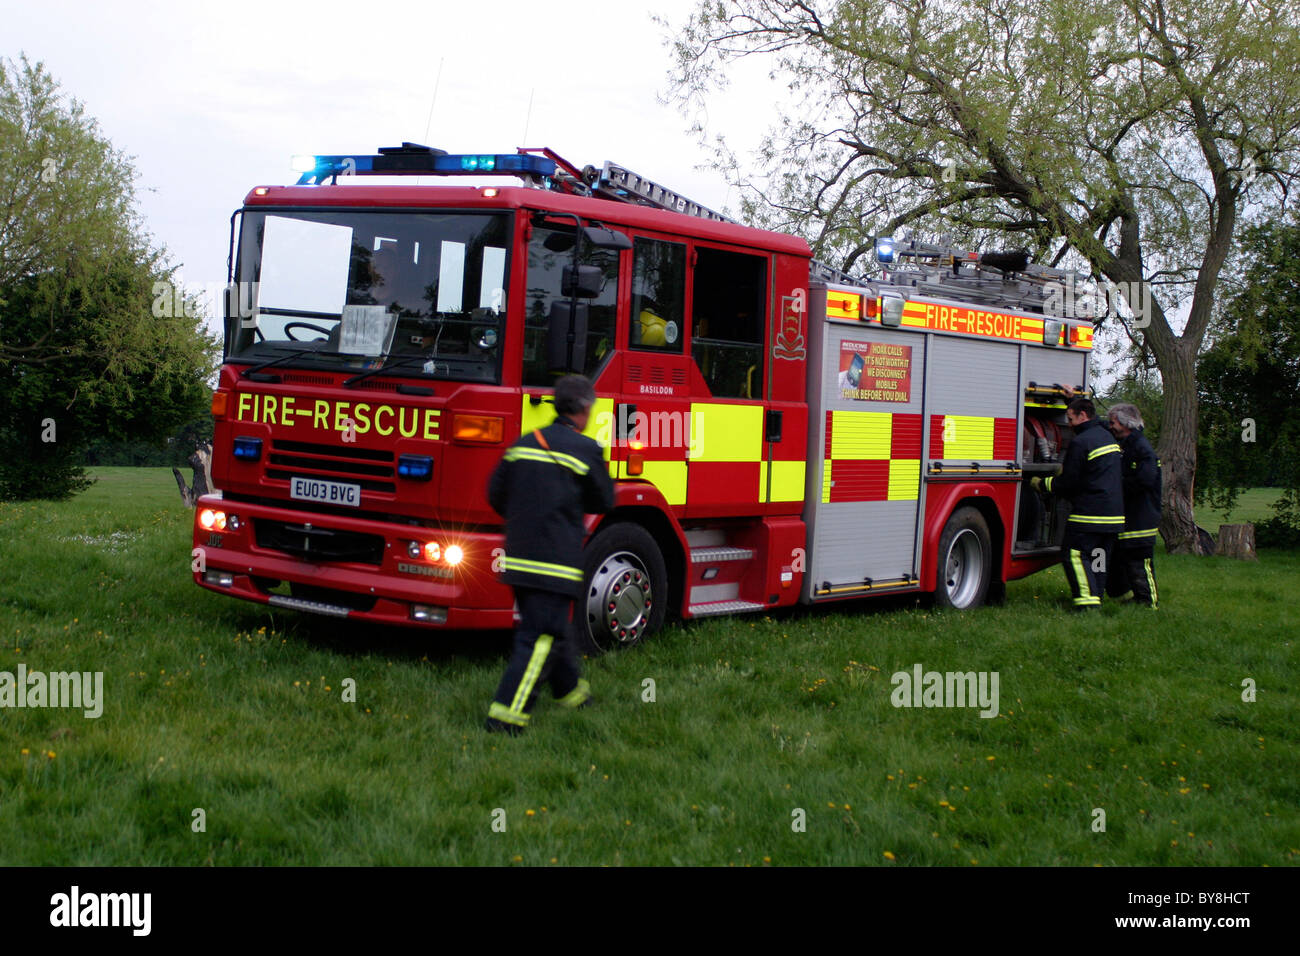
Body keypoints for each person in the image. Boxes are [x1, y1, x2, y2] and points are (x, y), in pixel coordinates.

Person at [484, 374, 614, 734]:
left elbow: (495, 494)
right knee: (538, 638)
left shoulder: (523, 444)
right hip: (556, 562)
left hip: (518, 558)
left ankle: (572, 694)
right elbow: (605, 500)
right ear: (585, 409)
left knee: (555, 628)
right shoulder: (586, 450)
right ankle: (506, 716)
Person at [1031, 396, 1124, 609]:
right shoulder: (1107, 436)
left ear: (1083, 416)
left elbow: (1068, 484)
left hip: (1090, 514)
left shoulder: (1081, 442)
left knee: (1074, 553)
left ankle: (1086, 601)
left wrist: (1042, 484)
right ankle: (1097, 594)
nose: (1069, 424)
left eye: (1071, 419)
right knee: (1099, 556)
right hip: (1113, 516)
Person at [1105, 403, 1162, 608]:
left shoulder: (1141, 449)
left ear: (1124, 423)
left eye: (1113, 422)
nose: (1110, 427)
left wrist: (1116, 485)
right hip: (1132, 515)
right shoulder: (1130, 444)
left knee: (1141, 562)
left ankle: (1149, 602)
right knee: (1129, 560)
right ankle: (1138, 597)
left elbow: (1145, 480)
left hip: (1142, 516)